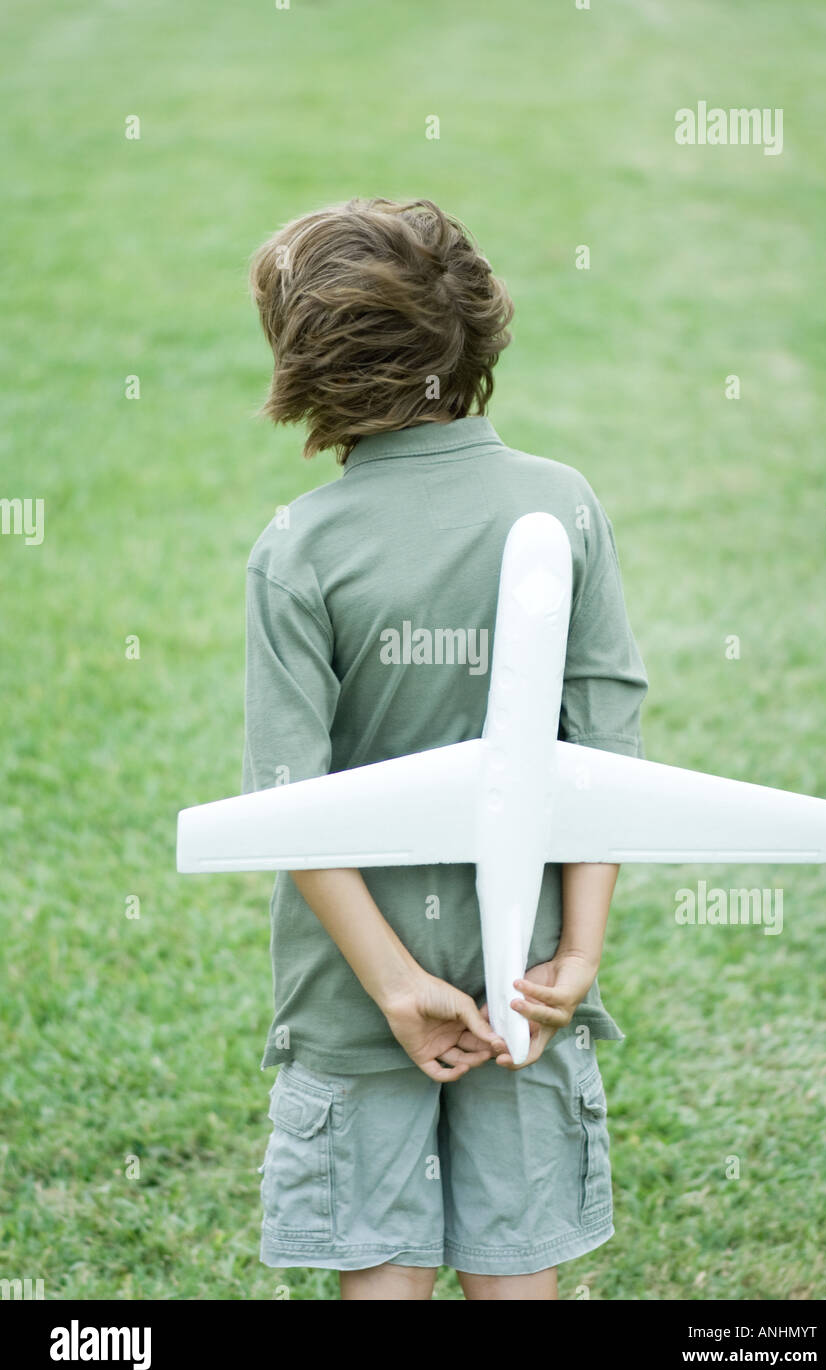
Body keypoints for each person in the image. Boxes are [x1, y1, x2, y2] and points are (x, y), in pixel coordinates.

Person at [243, 197, 648, 1300]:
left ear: (304, 368)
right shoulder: (564, 505)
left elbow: (288, 801)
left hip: (353, 988)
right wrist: (575, 956)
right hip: (530, 984)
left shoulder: (300, 549)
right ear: (477, 330)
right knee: (520, 1269)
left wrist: (393, 982)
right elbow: (604, 749)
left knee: (383, 1271)